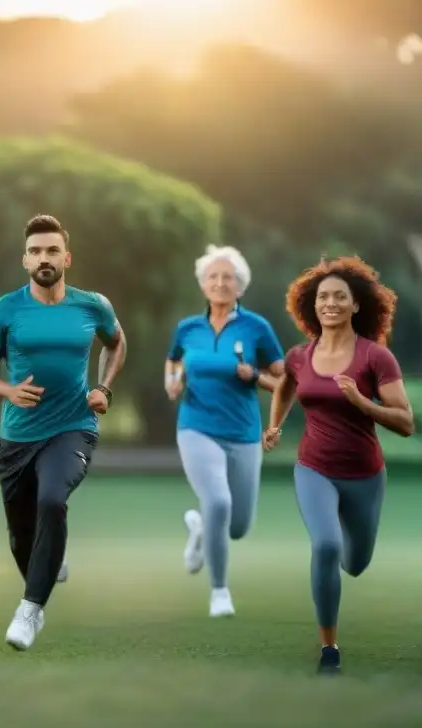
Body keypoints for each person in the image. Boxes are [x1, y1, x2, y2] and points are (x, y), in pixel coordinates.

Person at [0, 214, 127, 651]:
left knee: (52, 500)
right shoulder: (4, 310)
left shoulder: (92, 305)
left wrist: (104, 389)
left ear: (67, 257)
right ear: (25, 260)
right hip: (18, 436)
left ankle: (30, 609)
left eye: (52, 250)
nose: (45, 258)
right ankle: (46, 562)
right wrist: (8, 390)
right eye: (36, 251)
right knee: (21, 536)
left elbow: (116, 343)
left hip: (73, 426)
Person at [263, 256, 413, 674]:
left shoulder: (375, 358)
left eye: (339, 297)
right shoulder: (299, 355)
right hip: (313, 468)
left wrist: (363, 403)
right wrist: (273, 426)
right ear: (312, 306)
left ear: (356, 305)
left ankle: (350, 552)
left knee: (355, 562)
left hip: (365, 475)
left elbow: (405, 421)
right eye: (323, 297)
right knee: (326, 545)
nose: (330, 303)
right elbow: (284, 387)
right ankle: (329, 648)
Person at [164, 245, 286, 618]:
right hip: (196, 427)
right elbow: (172, 361)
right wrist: (172, 382)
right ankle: (219, 592)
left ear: (240, 286)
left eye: (227, 277)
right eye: (213, 277)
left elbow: (284, 380)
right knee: (218, 501)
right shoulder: (188, 328)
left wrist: (256, 376)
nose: (219, 282)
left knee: (237, 526)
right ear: (203, 285)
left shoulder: (257, 328)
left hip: (244, 433)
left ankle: (202, 530)